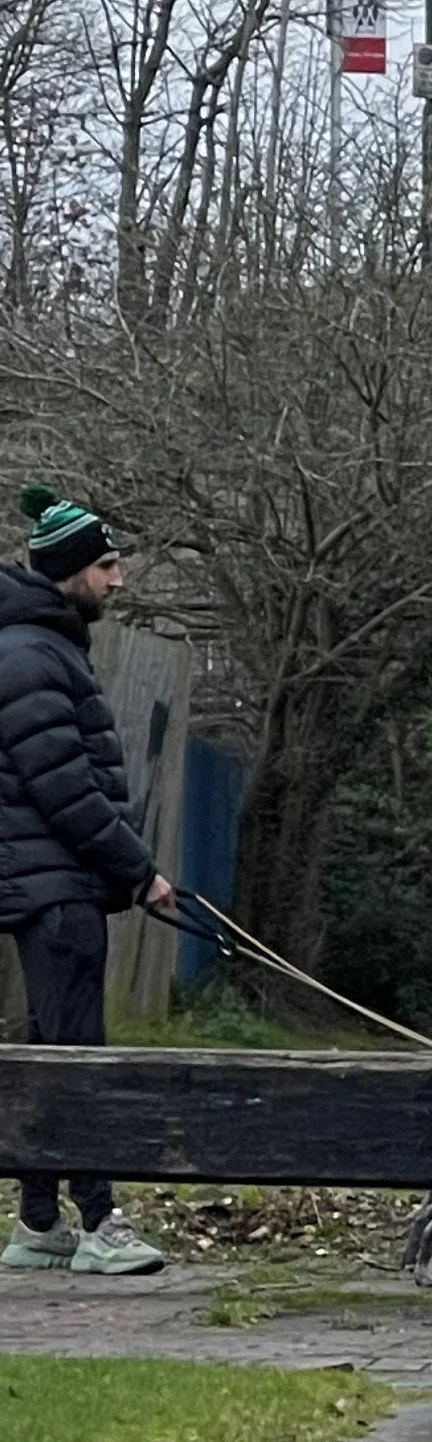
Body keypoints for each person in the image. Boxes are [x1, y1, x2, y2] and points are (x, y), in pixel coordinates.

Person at [0, 485, 171, 1274]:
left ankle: (38, 1221)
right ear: (69, 571)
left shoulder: (42, 644)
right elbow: (63, 787)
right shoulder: (33, 654)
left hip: (48, 883)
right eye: (106, 565)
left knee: (50, 1047)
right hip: (55, 885)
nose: (119, 579)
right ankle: (99, 1221)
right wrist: (138, 870)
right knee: (79, 1054)